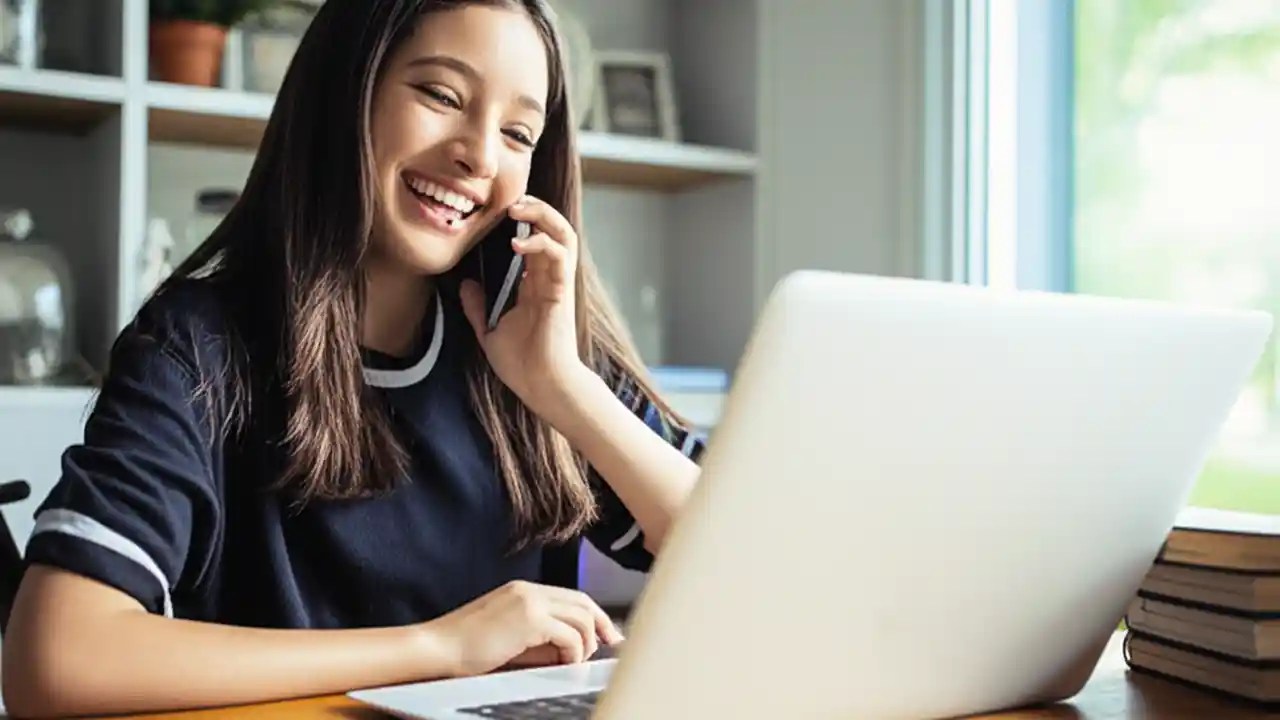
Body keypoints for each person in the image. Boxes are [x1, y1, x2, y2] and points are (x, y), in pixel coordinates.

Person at [0, 1, 706, 716]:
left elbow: (741, 560)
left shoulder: (538, 340)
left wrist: (560, 386)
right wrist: (438, 648)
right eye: (440, 94)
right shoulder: (196, 347)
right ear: (348, 90)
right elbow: (56, 659)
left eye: (518, 132)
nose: (480, 155)